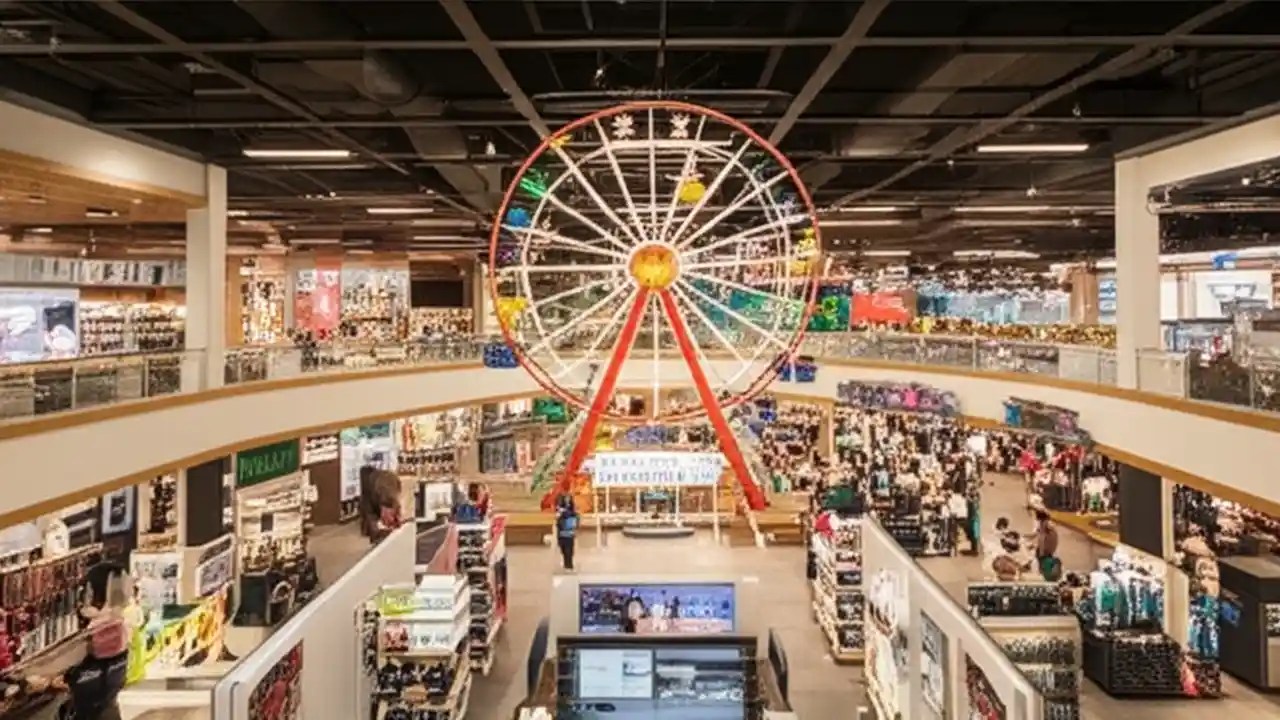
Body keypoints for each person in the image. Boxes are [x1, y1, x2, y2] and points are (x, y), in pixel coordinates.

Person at [1033, 509, 1062, 581]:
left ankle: (1043, 574)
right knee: (1047, 561)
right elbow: (1038, 534)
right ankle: (1047, 574)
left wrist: (1041, 552)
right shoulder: (1050, 524)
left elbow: (1042, 538)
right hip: (1051, 548)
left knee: (1041, 560)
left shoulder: (1044, 524)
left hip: (1046, 548)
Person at [555, 495, 579, 571]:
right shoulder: (559, 508)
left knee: (569, 548)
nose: (567, 500)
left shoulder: (571, 509)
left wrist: (564, 511)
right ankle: (566, 563)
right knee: (563, 548)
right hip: (562, 531)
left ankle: (569, 564)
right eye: (566, 498)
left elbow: (574, 516)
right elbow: (558, 520)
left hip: (569, 531)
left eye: (568, 498)